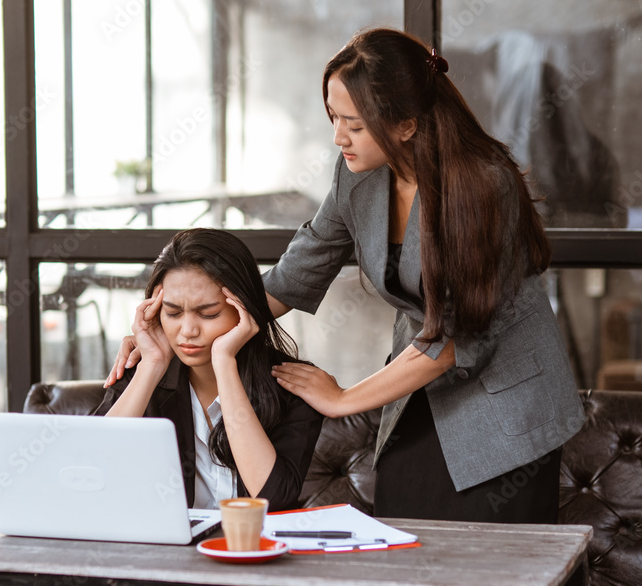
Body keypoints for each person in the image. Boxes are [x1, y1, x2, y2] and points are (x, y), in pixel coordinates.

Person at [110, 28, 584, 525]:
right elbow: (297, 272)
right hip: (420, 375)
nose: (338, 137)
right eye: (333, 118)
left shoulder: (484, 185)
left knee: (484, 564)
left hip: (503, 393)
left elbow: (454, 337)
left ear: (405, 125)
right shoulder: (357, 175)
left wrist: (343, 399)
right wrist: (169, 328)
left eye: (353, 125)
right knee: (403, 529)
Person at [96, 228, 323, 512]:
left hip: (254, 547)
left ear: (245, 309)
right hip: (166, 550)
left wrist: (224, 362)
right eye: (173, 313)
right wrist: (152, 365)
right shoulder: (142, 372)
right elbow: (93, 469)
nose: (188, 331)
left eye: (209, 314)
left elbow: (273, 498)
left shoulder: (291, 387)